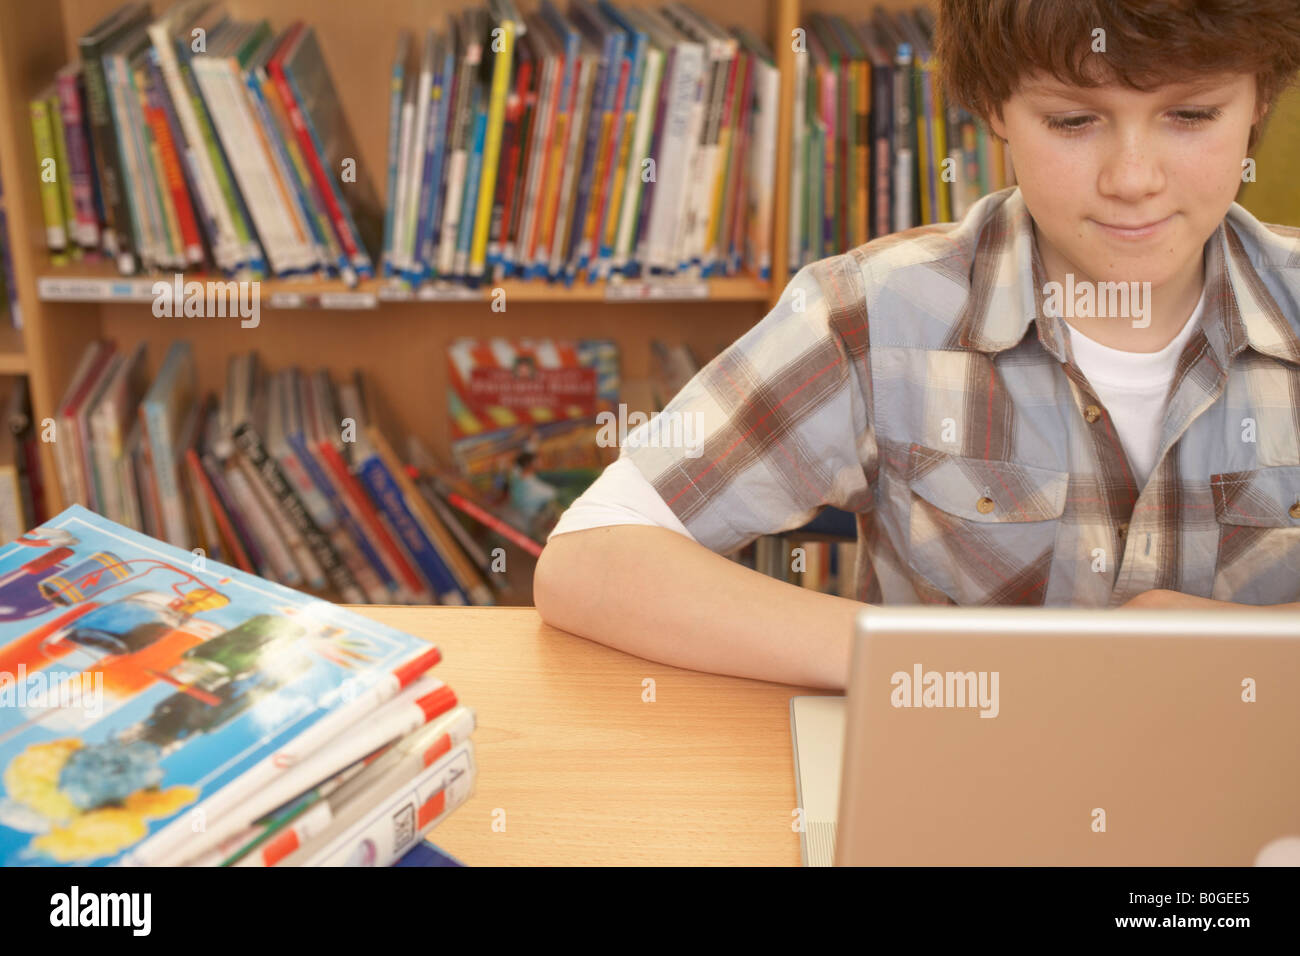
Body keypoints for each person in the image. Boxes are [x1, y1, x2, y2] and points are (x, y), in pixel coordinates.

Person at [535, 0, 1300, 690]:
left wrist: (1253, 645)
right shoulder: (877, 313)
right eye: (1073, 121)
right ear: (996, 109)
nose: (1134, 179)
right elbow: (590, 557)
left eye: (1192, 115)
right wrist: (945, 663)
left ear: (1260, 99)